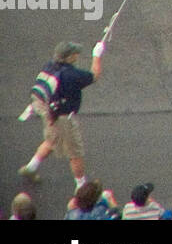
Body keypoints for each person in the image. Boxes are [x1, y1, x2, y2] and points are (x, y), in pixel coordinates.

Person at [19, 40, 106, 186]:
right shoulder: (72, 75)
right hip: (63, 117)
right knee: (75, 153)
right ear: (69, 57)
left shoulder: (49, 66)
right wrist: (96, 55)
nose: (77, 55)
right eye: (75, 53)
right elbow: (94, 75)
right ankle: (81, 187)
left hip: (48, 112)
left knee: (52, 140)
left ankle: (30, 168)